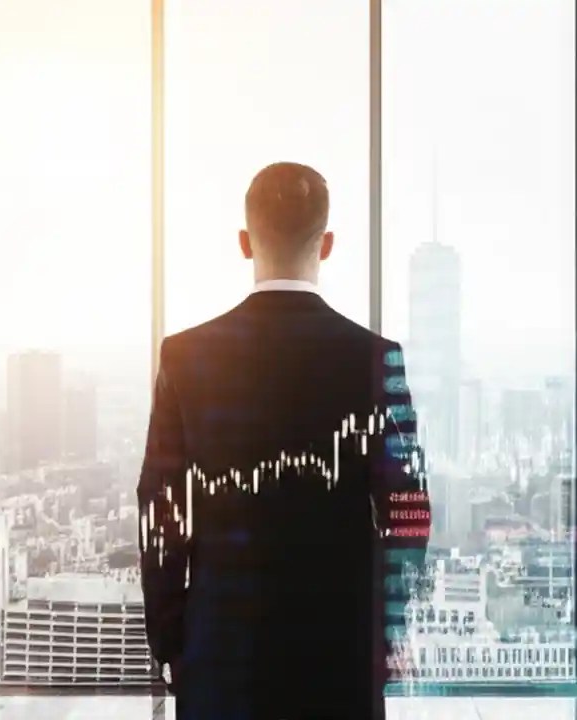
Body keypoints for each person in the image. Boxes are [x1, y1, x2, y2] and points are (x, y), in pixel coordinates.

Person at [137, 162, 431, 719]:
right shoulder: (376, 359)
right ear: (328, 244)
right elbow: (409, 511)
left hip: (221, 656)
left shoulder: (186, 357)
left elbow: (161, 514)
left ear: (245, 242)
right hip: (341, 656)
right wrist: (386, 635)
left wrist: (173, 641)